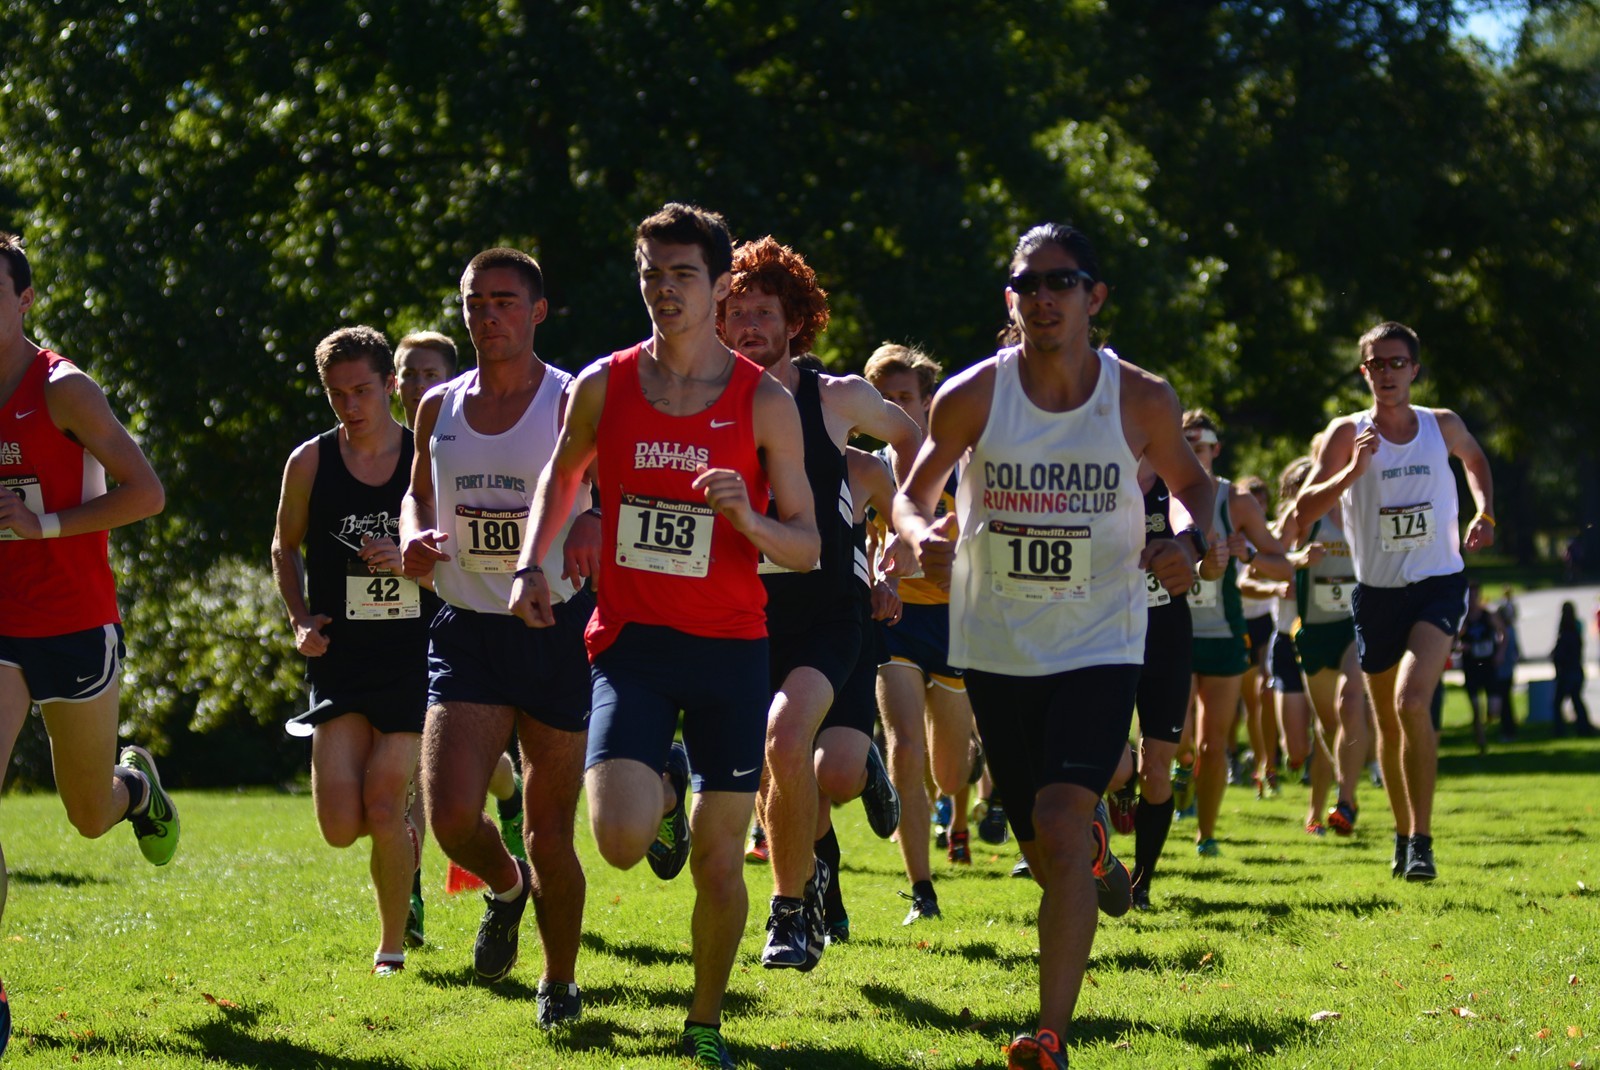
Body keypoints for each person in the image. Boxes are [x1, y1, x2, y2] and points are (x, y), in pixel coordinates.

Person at [894, 222, 1215, 1070]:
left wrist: (1190, 541)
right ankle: (1095, 864)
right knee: (1047, 850)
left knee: (1060, 821)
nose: (1044, 297)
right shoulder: (973, 395)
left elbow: (1193, 486)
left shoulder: (1140, 397)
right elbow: (912, 493)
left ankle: (1050, 1035)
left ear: (1094, 297)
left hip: (1103, 640)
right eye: (1028, 284)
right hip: (997, 644)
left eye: (1061, 282)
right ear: (1012, 299)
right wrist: (918, 533)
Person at [510, 203, 818, 1070]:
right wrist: (534, 566)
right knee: (616, 838)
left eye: (682, 275)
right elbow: (559, 476)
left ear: (719, 288)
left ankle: (704, 1023)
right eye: (650, 274)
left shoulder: (765, 403)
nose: (663, 291)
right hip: (633, 642)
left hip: (729, 650)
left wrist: (748, 518)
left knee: (720, 863)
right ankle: (661, 780)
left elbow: (808, 542)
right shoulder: (602, 384)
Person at [399, 247, 593, 1025]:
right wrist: (414, 535)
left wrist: (587, 522)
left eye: (505, 302)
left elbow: (608, 498)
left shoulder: (571, 398)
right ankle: (505, 889)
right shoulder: (437, 405)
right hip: (467, 626)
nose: (489, 316)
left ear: (538, 310)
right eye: (477, 302)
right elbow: (416, 495)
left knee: (552, 832)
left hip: (554, 628)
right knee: (449, 818)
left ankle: (559, 982)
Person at [720, 236, 920, 969]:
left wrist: (898, 531)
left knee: (806, 756)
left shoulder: (834, 397)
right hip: (742, 609)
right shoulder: (707, 399)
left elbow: (917, 443)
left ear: (794, 319)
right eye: (735, 312)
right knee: (786, 764)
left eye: (764, 313)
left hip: (831, 609)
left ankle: (788, 913)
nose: (747, 327)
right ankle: (811, 883)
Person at [0, 231, 176, 1041]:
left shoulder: (64, 389)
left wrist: (47, 527)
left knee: (86, 812)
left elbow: (147, 493)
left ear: (25, 299)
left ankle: (135, 788)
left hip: (72, 622)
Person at [1292, 320, 1495, 882]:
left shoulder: (1441, 424)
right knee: (1386, 719)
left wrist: (1485, 510)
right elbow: (1303, 512)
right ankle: (1403, 834)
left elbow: (1476, 461)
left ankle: (1424, 839)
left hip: (1438, 583)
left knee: (1410, 703)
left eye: (1397, 363)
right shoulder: (1346, 432)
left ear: (1415, 369)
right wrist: (1353, 470)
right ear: (1364, 372)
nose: (1387, 373)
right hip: (1377, 594)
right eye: (1376, 364)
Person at [272, 326, 434, 975]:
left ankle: (391, 947)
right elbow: (284, 546)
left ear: (390, 385)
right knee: (341, 824)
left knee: (383, 798)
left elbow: (459, 550)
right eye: (337, 395)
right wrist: (298, 617)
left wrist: (410, 559)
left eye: (362, 390)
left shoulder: (426, 455)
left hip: (413, 653)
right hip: (339, 654)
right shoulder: (310, 461)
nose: (350, 405)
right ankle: (402, 839)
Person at [864, 343, 988, 923]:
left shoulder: (965, 465)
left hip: (957, 620)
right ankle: (922, 890)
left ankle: (969, 769)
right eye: (882, 400)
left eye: (905, 398)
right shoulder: (868, 468)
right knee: (905, 750)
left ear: (928, 401)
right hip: (897, 622)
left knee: (947, 770)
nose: (895, 410)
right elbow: (857, 545)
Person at [1181, 410, 1291, 856]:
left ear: (1215, 449)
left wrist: (1248, 555)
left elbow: (1282, 562)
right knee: (1177, 740)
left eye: (1200, 445)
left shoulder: (1237, 503)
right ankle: (1177, 771)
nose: (1192, 453)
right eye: (1183, 443)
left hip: (1224, 636)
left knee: (1213, 743)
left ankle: (1205, 834)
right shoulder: (1155, 494)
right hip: (1172, 633)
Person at [1458, 582, 1499, 754]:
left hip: (1488, 666)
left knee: (1493, 710)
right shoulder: (1462, 619)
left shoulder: (1487, 616)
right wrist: (1461, 645)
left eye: (1475, 596)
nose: (1473, 600)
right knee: (1476, 708)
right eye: (1470, 596)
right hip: (1471, 666)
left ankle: (1487, 728)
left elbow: (1503, 632)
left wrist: (1500, 652)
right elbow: (1453, 640)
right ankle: (1481, 742)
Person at [395, 332, 459, 428]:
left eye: (431, 375)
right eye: (409, 374)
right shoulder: (382, 442)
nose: (419, 384)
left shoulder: (469, 440)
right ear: (396, 384)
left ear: (451, 384)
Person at [1551, 601, 1595, 736]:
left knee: (1558, 703)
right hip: (1577, 670)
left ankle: (1560, 730)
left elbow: (1559, 655)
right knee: (1577, 700)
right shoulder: (1576, 631)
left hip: (1567, 673)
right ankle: (1583, 728)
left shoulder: (1565, 634)